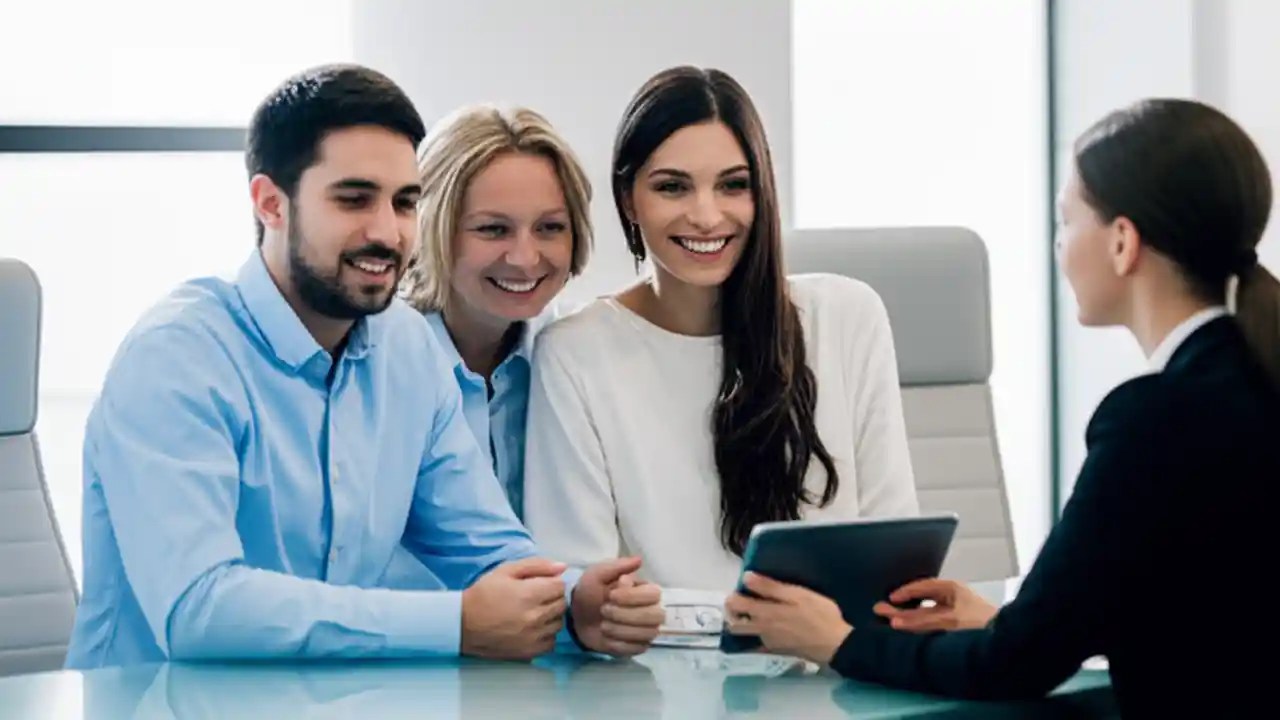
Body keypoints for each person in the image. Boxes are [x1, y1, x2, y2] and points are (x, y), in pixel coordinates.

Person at [64, 64, 663, 670]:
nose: (387, 231)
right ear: (271, 204)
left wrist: (575, 606)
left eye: (405, 203)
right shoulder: (178, 357)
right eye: (353, 199)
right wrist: (455, 623)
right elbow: (197, 610)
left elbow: (486, 549)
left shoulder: (405, 349)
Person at [722, 98, 1280, 716]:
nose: (1059, 247)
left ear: (1123, 242)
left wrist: (839, 641)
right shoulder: (1251, 380)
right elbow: (1201, 607)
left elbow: (1014, 667)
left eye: (1066, 223)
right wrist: (1014, 619)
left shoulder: (1156, 417)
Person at [522, 65, 919, 593]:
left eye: (734, 185)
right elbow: (581, 584)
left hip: (837, 658)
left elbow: (895, 551)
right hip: (664, 668)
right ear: (627, 199)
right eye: (672, 187)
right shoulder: (575, 354)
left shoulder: (847, 317)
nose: (707, 216)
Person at [399, 103, 592, 517]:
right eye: (492, 229)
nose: (525, 258)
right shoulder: (380, 366)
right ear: (431, 227)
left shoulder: (572, 360)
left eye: (550, 227)